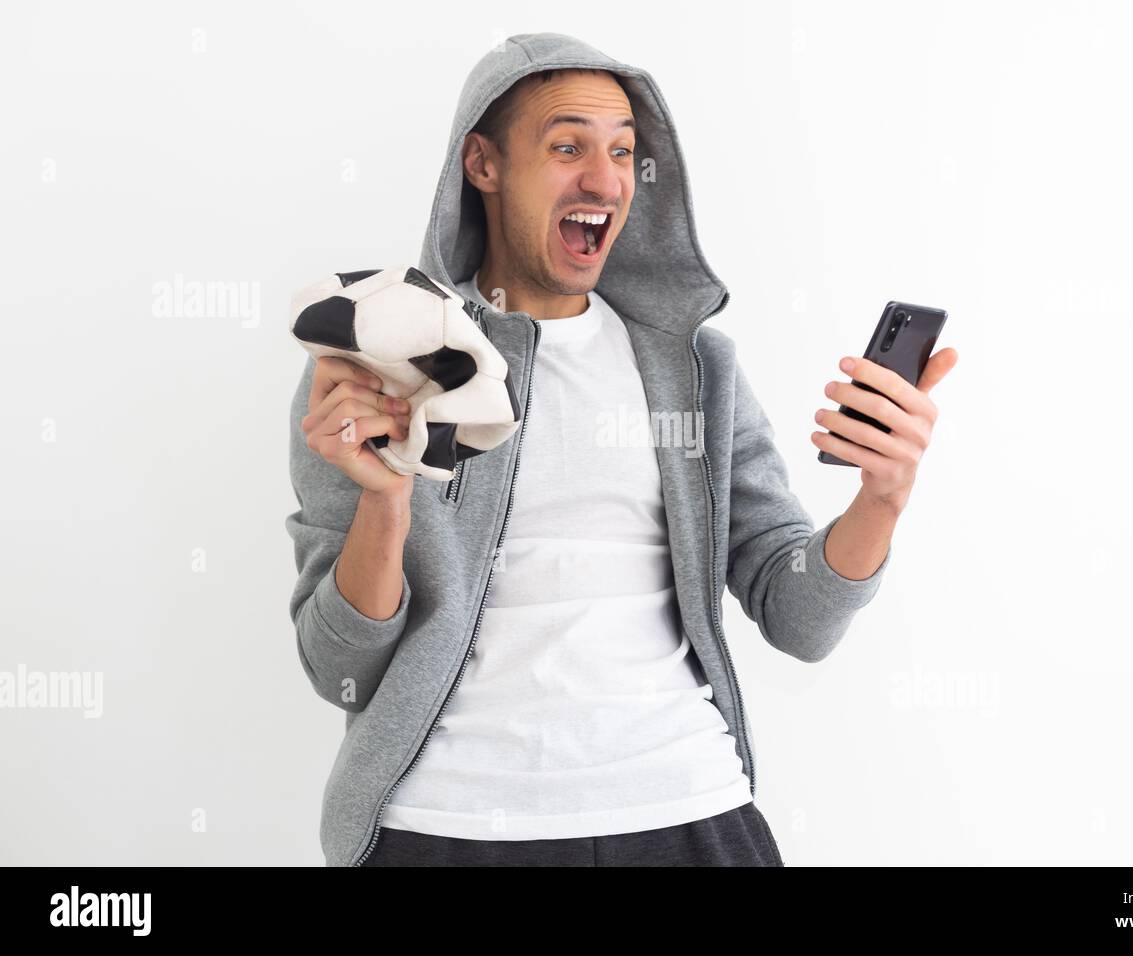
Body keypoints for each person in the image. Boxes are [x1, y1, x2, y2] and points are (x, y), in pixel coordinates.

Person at [286, 32, 956, 867]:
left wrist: (881, 499)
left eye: (622, 152)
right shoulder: (382, 365)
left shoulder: (696, 371)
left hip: (691, 814)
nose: (604, 181)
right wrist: (385, 501)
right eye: (567, 146)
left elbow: (801, 619)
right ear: (483, 166)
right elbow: (337, 668)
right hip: (450, 829)